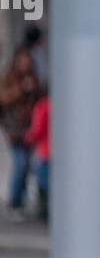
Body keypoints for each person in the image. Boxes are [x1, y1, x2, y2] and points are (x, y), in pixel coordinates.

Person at [0, 47, 43, 216]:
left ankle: (21, 198)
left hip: (29, 128)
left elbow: (39, 99)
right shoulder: (10, 79)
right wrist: (21, 90)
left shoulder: (34, 79)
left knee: (27, 163)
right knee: (20, 163)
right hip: (14, 129)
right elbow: (3, 98)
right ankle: (14, 200)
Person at [24, 92, 50, 221]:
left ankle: (45, 211)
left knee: (44, 185)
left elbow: (37, 129)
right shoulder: (73, 105)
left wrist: (29, 138)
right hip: (64, 156)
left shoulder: (44, 106)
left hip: (46, 152)